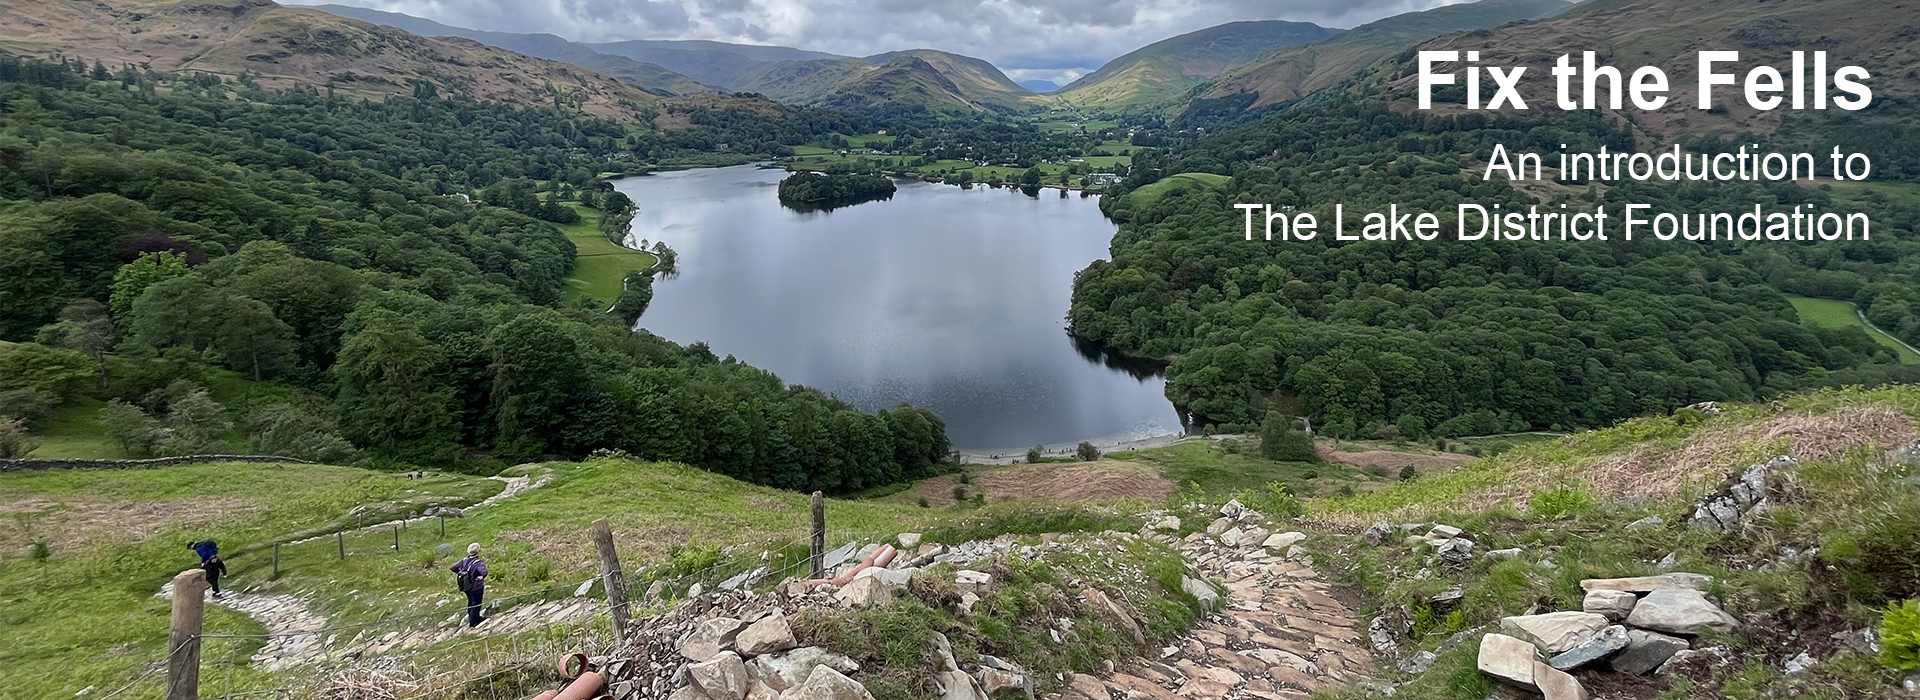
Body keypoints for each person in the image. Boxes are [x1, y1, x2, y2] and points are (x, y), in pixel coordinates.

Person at [450, 543, 488, 628]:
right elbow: (484, 572)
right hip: (476, 587)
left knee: (470, 602)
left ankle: (473, 618)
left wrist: (461, 573)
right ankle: (474, 621)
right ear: (478, 551)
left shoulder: (464, 561)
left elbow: (453, 567)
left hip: (466, 586)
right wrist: (481, 577)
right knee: (476, 603)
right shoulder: (477, 563)